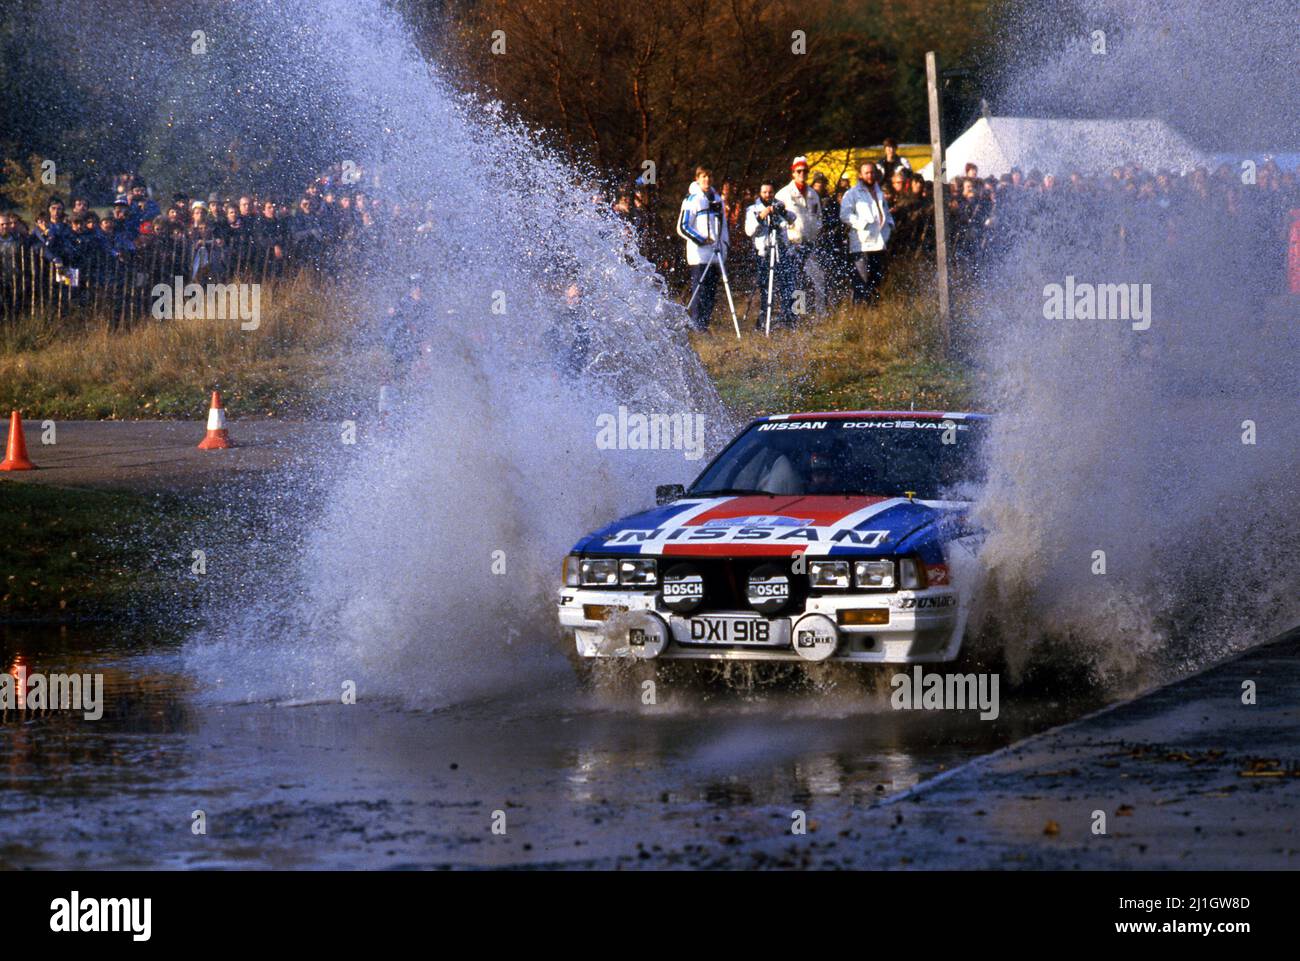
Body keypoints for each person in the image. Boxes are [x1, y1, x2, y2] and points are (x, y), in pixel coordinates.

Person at [676, 166, 730, 331]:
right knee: (700, 291)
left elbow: (724, 227)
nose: (707, 180)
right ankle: (696, 325)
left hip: (716, 254)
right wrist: (701, 240)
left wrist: (725, 245)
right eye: (703, 176)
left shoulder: (717, 199)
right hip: (699, 255)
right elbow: (683, 226)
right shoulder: (692, 199)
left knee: (711, 292)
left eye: (709, 176)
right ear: (697, 178)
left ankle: (704, 325)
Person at [744, 180, 797, 330]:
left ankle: (791, 318)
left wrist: (782, 211)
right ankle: (764, 320)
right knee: (766, 288)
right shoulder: (752, 209)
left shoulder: (779, 205)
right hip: (764, 253)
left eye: (770, 192)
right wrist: (762, 215)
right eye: (764, 192)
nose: (768, 195)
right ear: (760, 193)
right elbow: (749, 230)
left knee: (789, 284)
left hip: (782, 250)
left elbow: (793, 218)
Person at [775, 156, 823, 319]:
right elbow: (777, 219)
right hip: (792, 244)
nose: (802, 174)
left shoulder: (813, 194)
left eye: (805, 171)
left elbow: (818, 217)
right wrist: (788, 232)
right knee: (794, 280)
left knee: (815, 278)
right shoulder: (783, 194)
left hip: (810, 243)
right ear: (793, 173)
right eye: (799, 171)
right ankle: (796, 315)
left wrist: (816, 230)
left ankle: (817, 313)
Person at [840, 161, 894, 303]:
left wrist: (890, 226)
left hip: (879, 243)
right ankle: (858, 315)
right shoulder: (852, 193)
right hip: (861, 245)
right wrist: (863, 225)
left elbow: (886, 213)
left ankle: (873, 316)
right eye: (866, 173)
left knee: (876, 282)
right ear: (860, 175)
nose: (870, 176)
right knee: (861, 282)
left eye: (872, 172)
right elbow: (845, 215)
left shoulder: (879, 192)